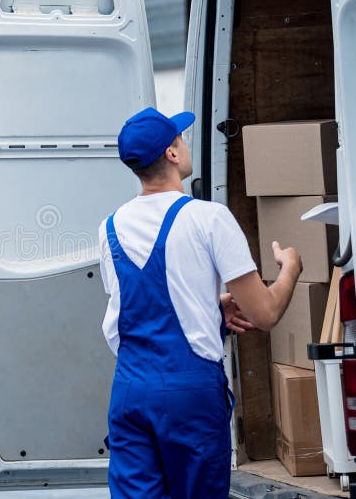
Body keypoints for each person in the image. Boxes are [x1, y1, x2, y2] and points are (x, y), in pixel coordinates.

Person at [99, 107, 302, 498]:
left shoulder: (111, 226)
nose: (185, 143)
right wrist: (290, 268)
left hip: (130, 393)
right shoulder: (209, 218)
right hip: (188, 396)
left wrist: (210, 309)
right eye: (181, 137)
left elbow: (142, 305)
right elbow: (265, 314)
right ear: (172, 154)